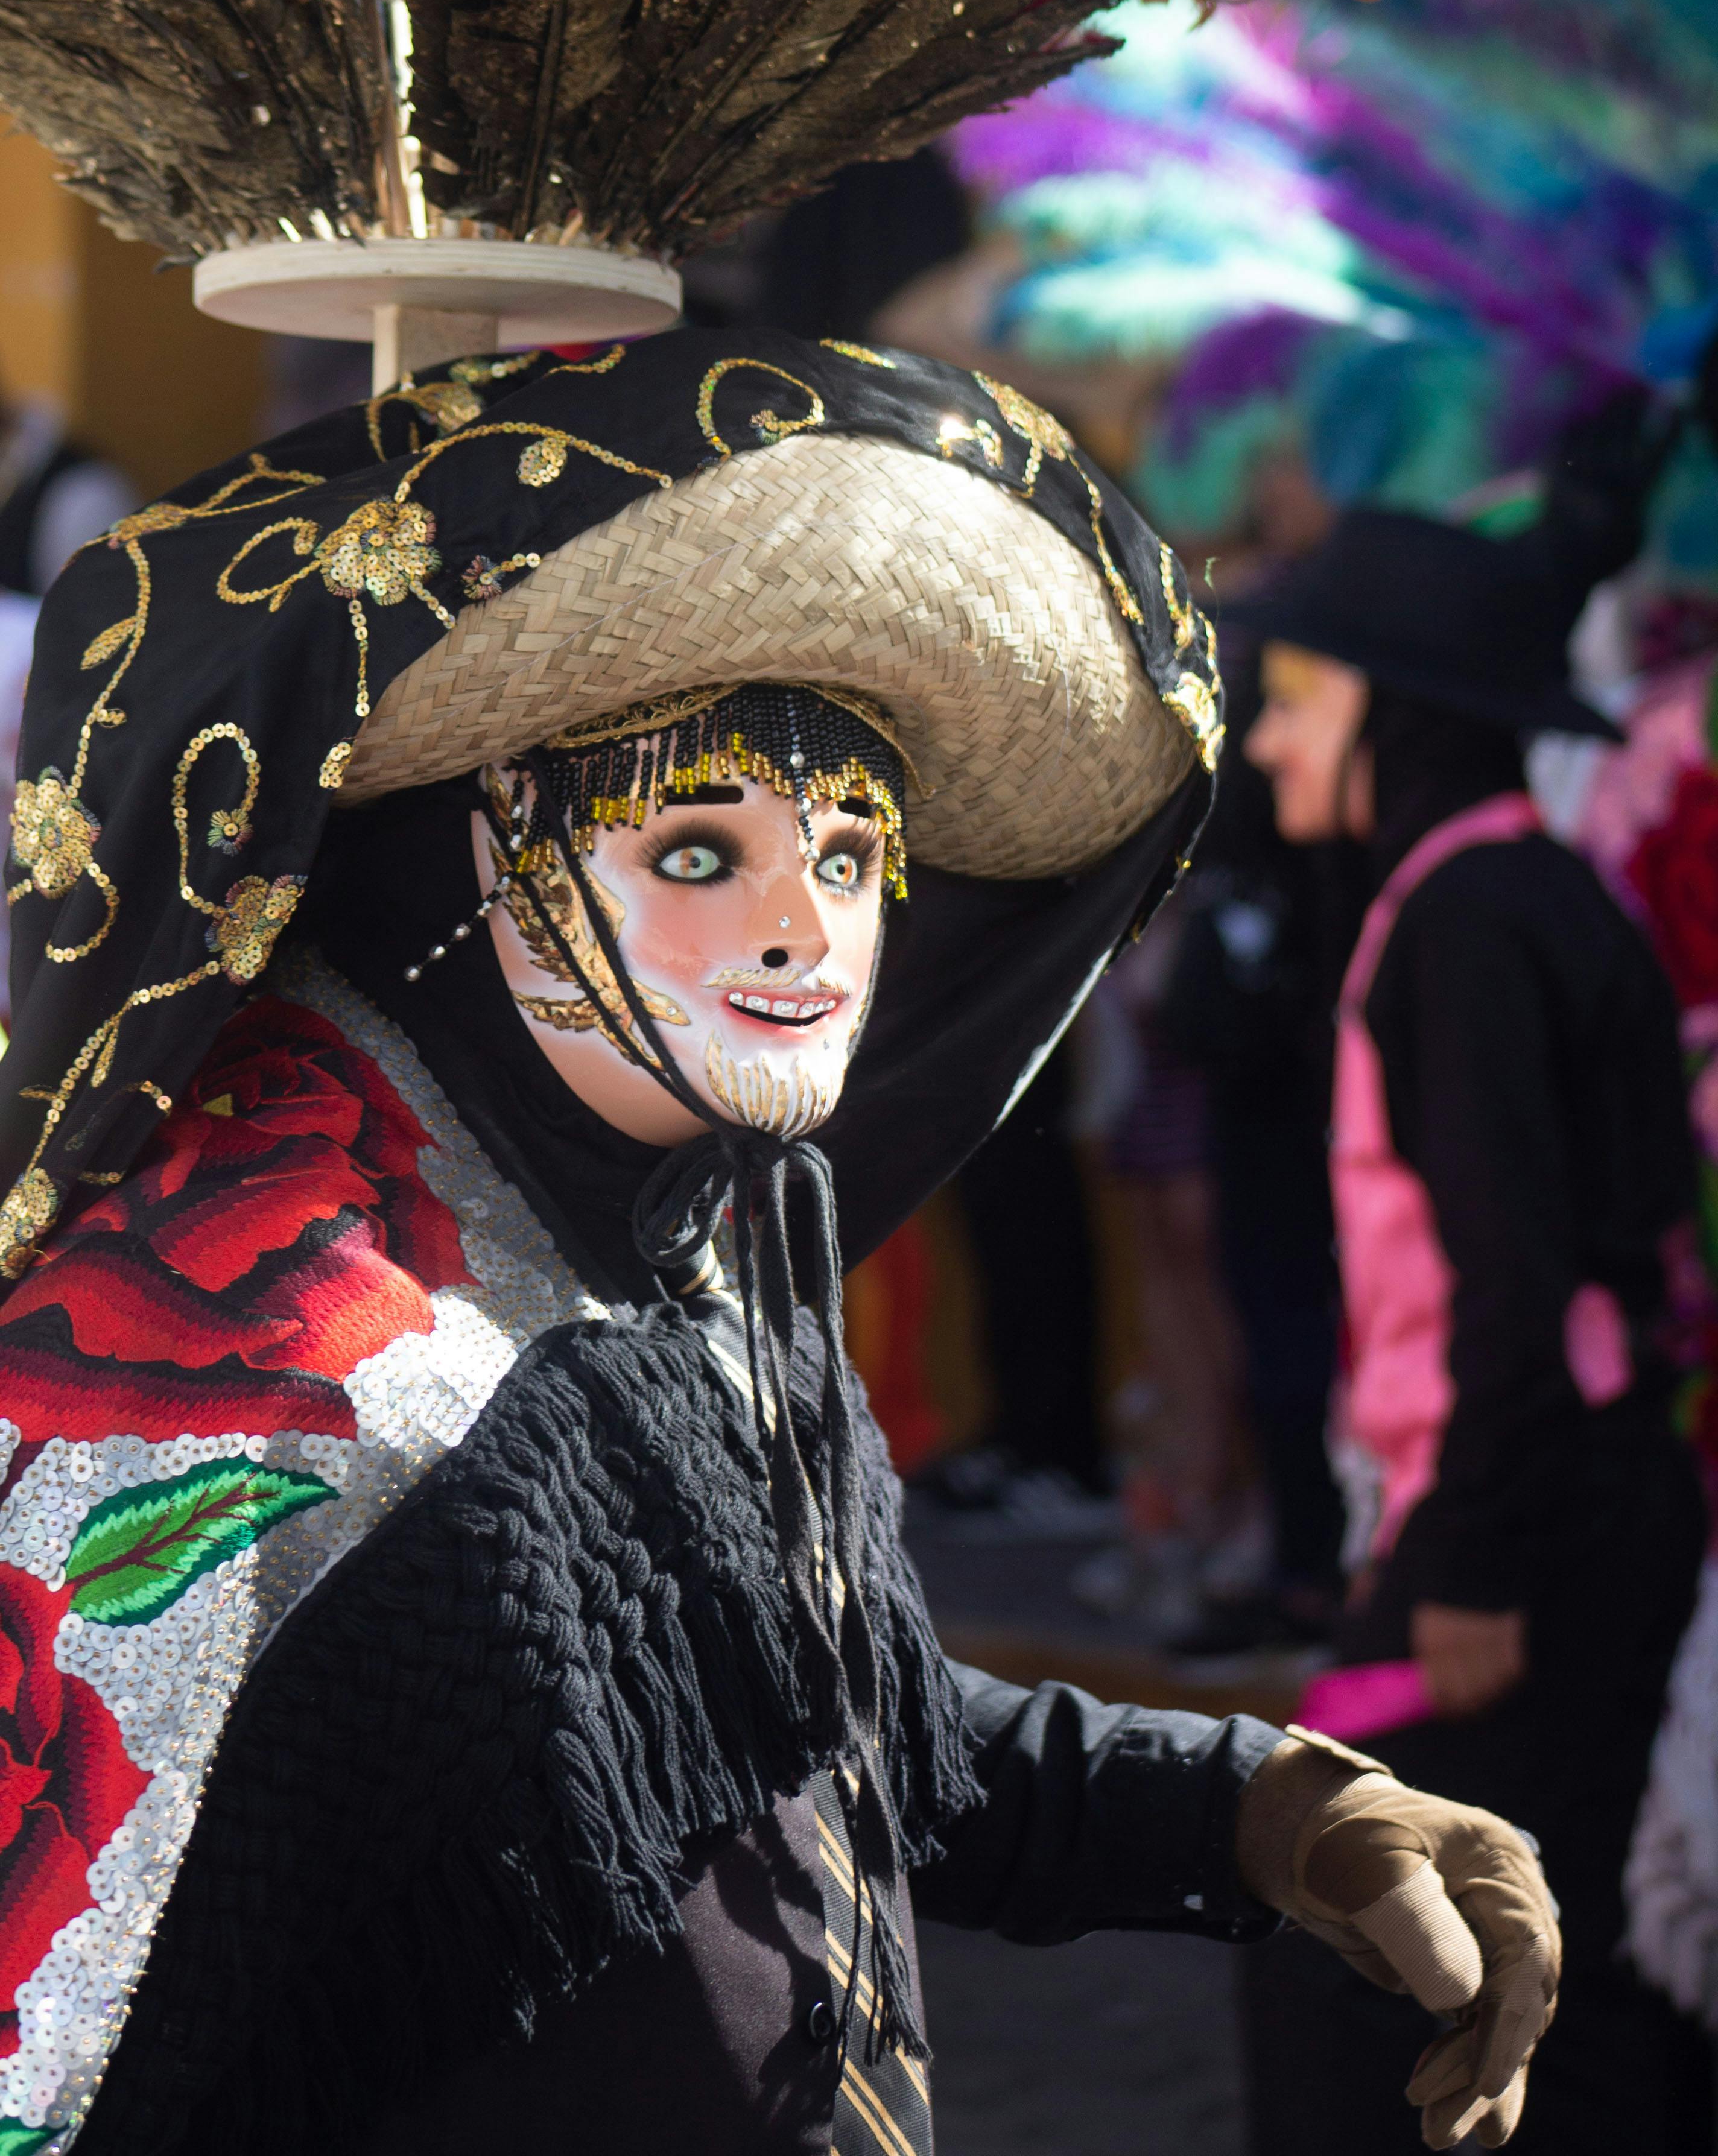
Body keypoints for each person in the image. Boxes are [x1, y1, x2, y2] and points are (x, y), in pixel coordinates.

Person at [0, 334, 1559, 2155]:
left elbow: (814, 1730)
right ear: (467, 868)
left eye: (848, 854)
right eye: (693, 853)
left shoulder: (698, 1273)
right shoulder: (246, 1398)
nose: (807, 931)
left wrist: (1262, 1812)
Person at [1236, 502, 1707, 2154]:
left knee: (1345, 1926)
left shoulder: (1471, 915)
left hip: (1529, 1522)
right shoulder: (1510, 892)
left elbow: (1521, 1272)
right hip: (1568, 1496)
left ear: (1397, 709)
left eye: (1301, 690)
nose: (1269, 730)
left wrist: (1472, 1561)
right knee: (1525, 1970)